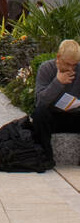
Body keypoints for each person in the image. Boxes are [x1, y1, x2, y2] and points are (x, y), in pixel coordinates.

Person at [30, 39, 80, 167]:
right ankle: (45, 158)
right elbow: (40, 102)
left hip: (74, 115)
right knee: (39, 113)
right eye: (67, 64)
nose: (71, 68)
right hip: (53, 117)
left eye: (74, 65)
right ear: (58, 57)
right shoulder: (46, 68)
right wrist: (58, 82)